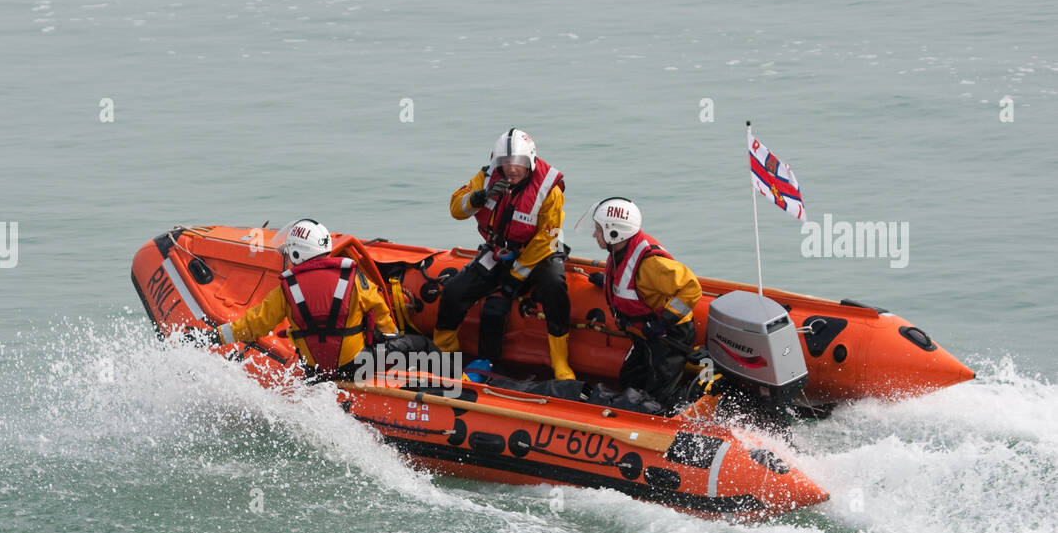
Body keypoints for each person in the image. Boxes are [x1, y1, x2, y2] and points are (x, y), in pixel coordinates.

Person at [433, 127, 575, 380]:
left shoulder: (548, 189)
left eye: (518, 163)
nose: (512, 168)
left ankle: (560, 363)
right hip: (499, 250)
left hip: (539, 253)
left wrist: (515, 277)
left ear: (530, 161)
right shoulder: (486, 179)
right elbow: (456, 209)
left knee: (555, 288)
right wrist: (479, 197)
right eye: (506, 162)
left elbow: (546, 237)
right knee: (454, 292)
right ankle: (445, 352)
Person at [213, 219, 399, 379]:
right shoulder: (354, 278)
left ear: (296, 253)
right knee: (419, 344)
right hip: (356, 364)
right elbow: (380, 312)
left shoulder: (286, 290)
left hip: (315, 369)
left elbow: (254, 324)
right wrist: (389, 340)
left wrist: (216, 337)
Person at [589, 197, 702, 404]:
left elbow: (691, 288)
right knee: (629, 378)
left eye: (598, 229)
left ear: (614, 232)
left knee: (656, 396)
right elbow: (629, 282)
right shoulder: (620, 251)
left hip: (669, 335)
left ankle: (683, 404)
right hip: (645, 334)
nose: (594, 234)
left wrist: (664, 321)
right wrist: (607, 281)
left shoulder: (651, 263)